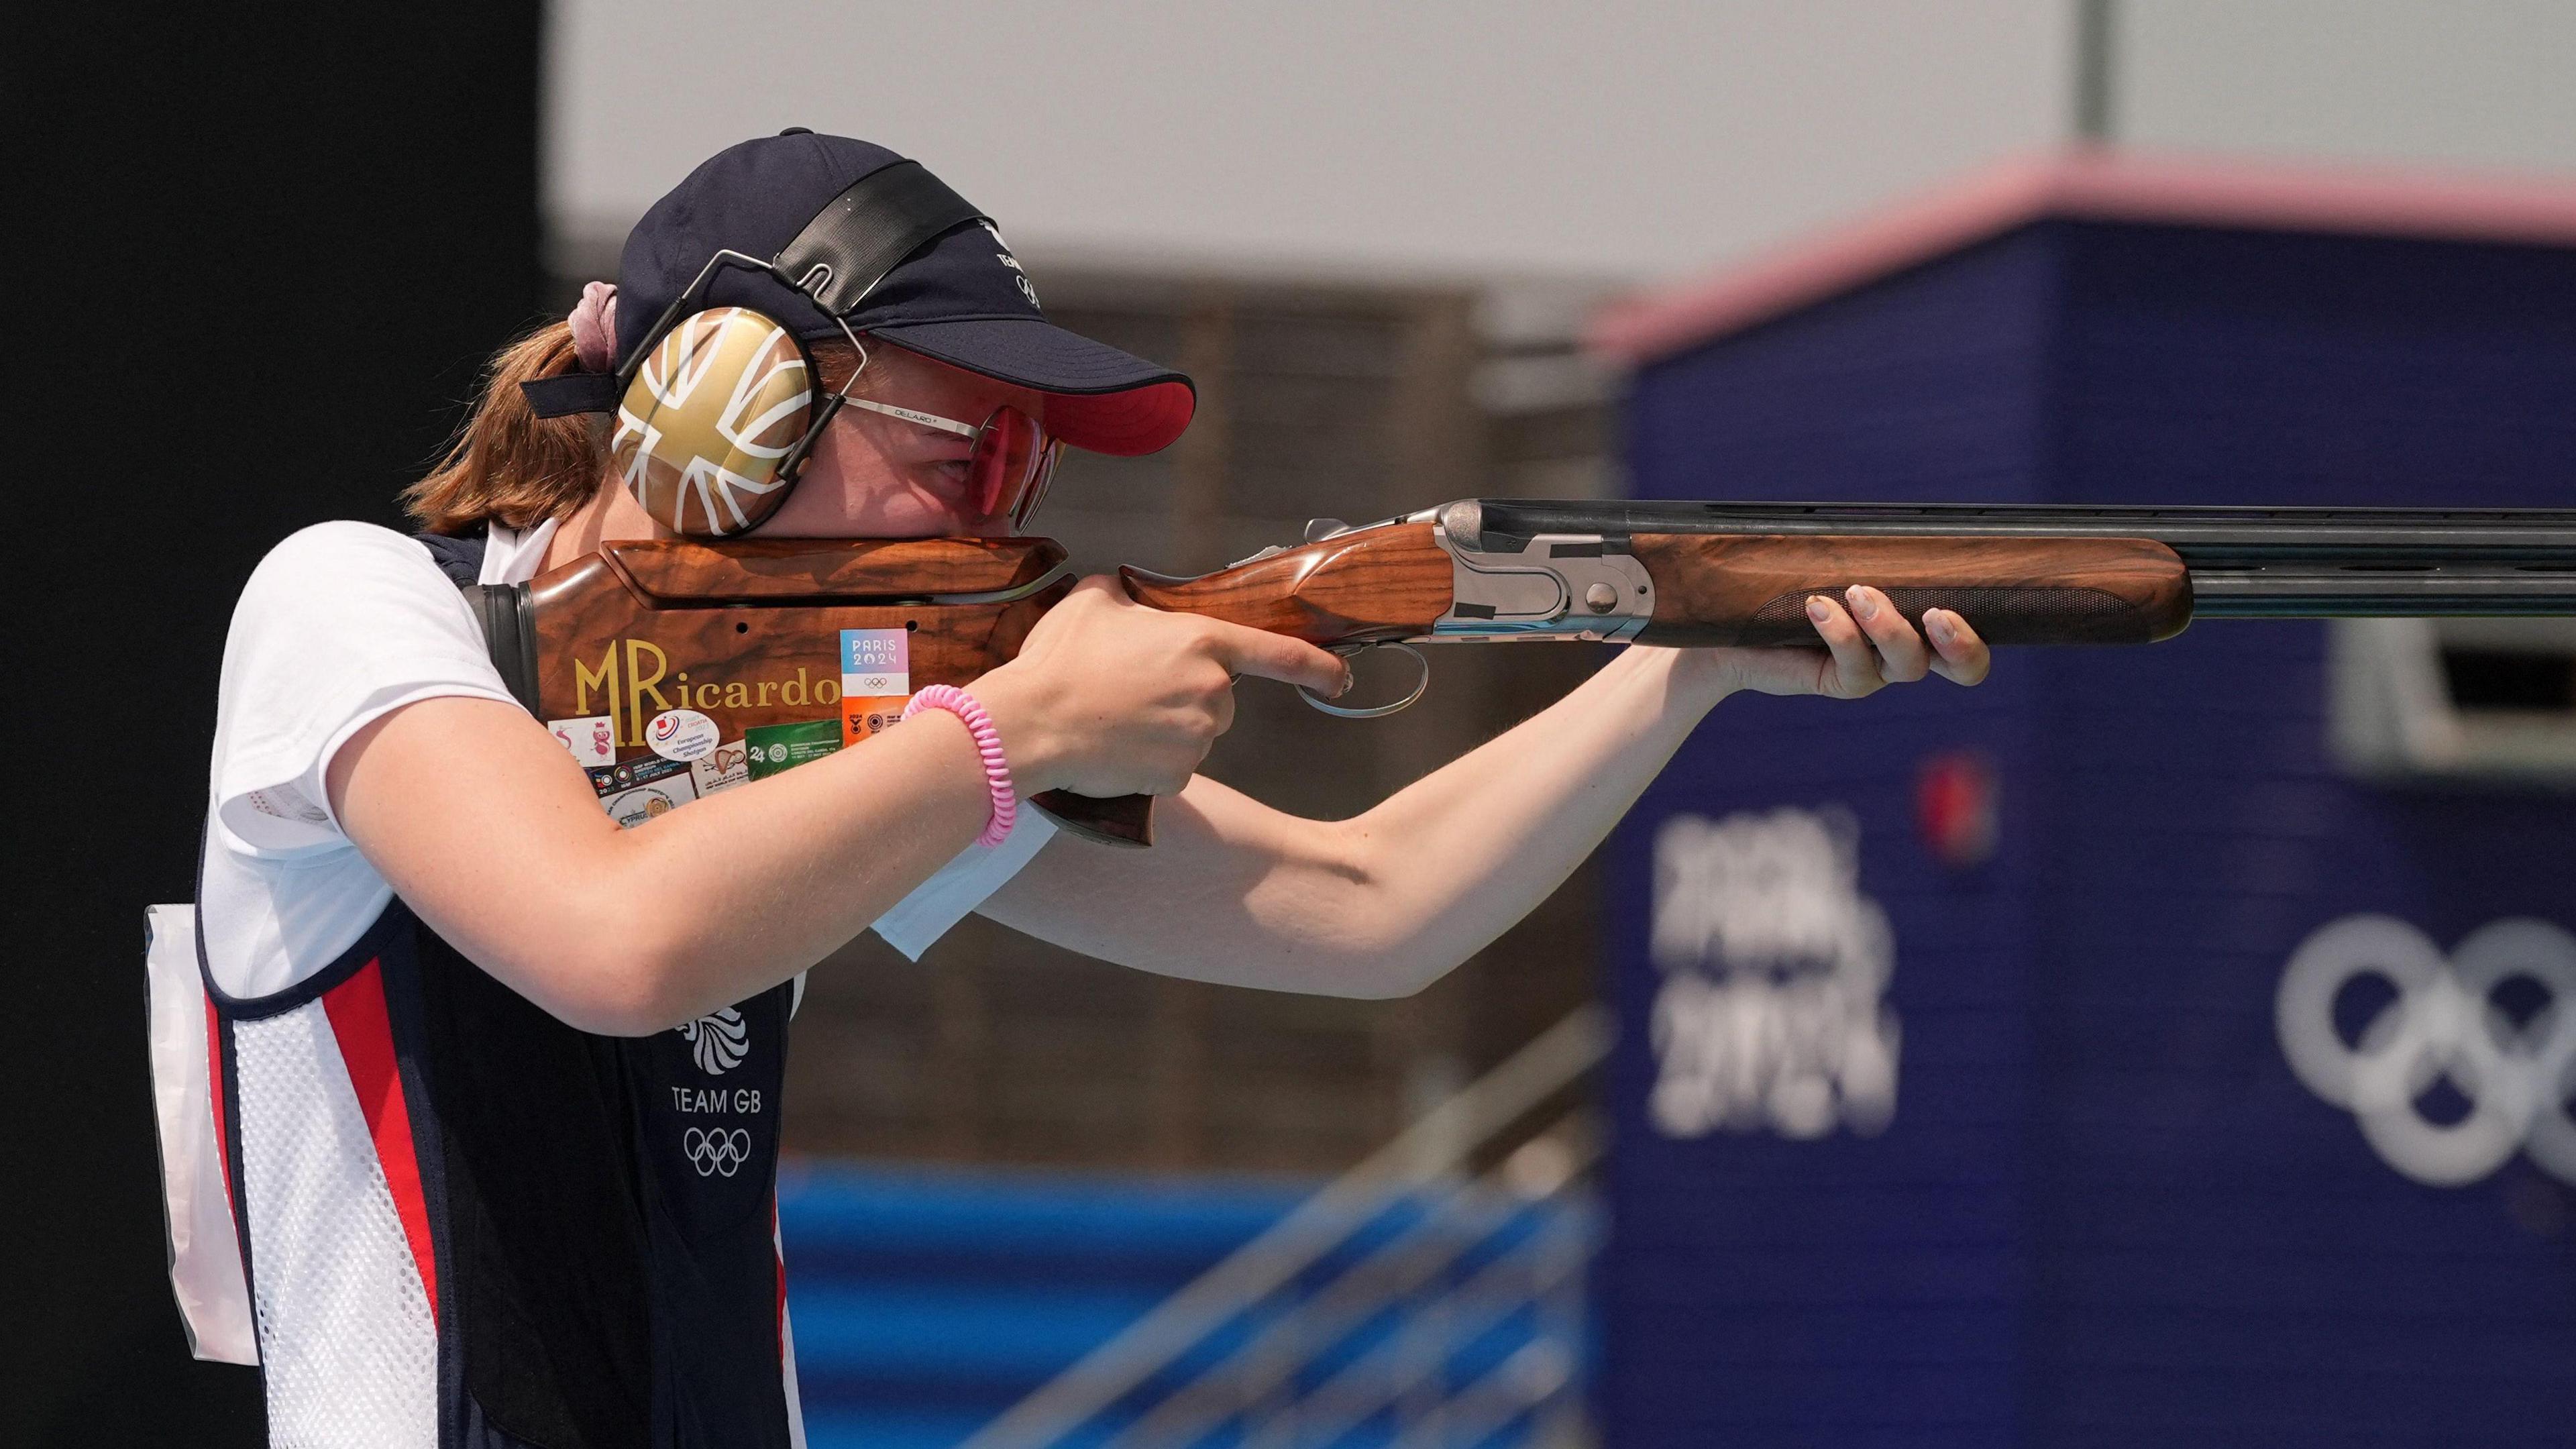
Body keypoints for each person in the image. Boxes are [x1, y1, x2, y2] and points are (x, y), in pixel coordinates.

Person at [188, 132, 1988, 1446]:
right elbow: (610, 941)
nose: (1001, 510)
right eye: (965, 445)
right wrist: (1009, 739)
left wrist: (1689, 663)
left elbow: (1371, 912)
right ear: (724, 402)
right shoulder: (356, 610)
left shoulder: (849, 732)